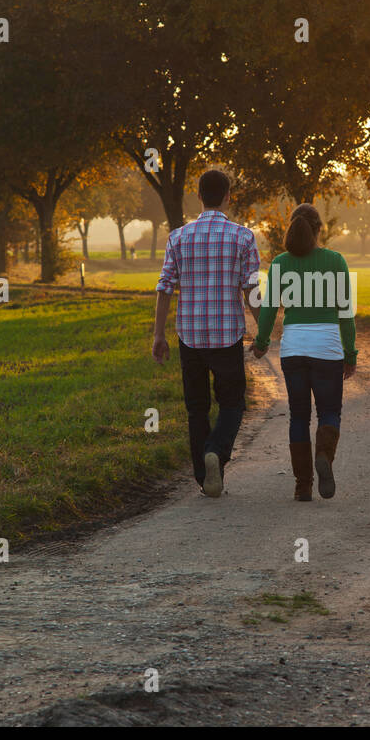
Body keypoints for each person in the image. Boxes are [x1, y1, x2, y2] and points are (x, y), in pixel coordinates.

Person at [152, 170, 260, 498]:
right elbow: (251, 287)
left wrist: (159, 335)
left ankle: (204, 477)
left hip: (190, 336)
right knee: (232, 403)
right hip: (227, 336)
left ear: (198, 196)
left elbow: (165, 287)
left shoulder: (178, 237)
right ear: (228, 196)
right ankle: (217, 451)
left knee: (196, 407)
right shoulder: (243, 237)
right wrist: (265, 330)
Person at [252, 204, 356, 501]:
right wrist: (351, 354)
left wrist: (261, 342)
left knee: (298, 416)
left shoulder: (281, 263)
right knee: (329, 412)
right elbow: (346, 315)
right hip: (327, 348)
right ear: (319, 229)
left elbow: (270, 307)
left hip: (294, 348)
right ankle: (323, 454)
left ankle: (303, 486)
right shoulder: (335, 261)